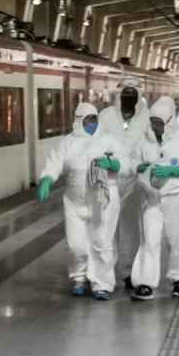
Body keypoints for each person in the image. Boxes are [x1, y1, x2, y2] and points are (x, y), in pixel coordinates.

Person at [37, 102, 125, 300]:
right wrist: (47, 178)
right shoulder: (67, 142)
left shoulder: (109, 140)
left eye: (94, 119)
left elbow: (125, 163)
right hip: (74, 203)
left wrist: (114, 164)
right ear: (78, 121)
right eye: (87, 120)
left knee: (101, 243)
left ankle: (102, 284)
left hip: (103, 202)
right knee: (77, 245)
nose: (92, 123)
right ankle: (79, 276)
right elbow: (54, 162)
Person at [130, 96, 179, 301]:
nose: (155, 126)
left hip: (177, 196)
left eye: (159, 122)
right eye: (152, 121)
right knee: (149, 240)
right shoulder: (144, 139)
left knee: (177, 239)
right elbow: (133, 159)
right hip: (150, 198)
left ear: (170, 121)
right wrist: (138, 166)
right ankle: (145, 282)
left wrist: (173, 170)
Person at [98, 82, 150, 292]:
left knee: (130, 229)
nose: (129, 98)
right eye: (125, 95)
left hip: (134, 180)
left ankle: (128, 272)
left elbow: (154, 143)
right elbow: (96, 142)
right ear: (119, 96)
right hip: (109, 178)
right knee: (105, 230)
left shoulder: (146, 117)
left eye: (133, 95)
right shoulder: (107, 116)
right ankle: (104, 276)